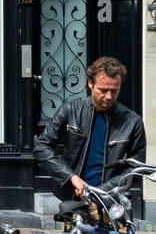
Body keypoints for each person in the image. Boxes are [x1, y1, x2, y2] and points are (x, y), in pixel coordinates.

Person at [33, 56, 146, 201]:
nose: (109, 96)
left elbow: (135, 168)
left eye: (114, 91)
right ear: (90, 84)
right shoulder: (71, 109)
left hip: (109, 197)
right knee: (75, 224)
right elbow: (42, 147)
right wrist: (71, 177)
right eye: (103, 90)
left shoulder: (132, 121)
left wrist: (101, 191)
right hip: (72, 194)